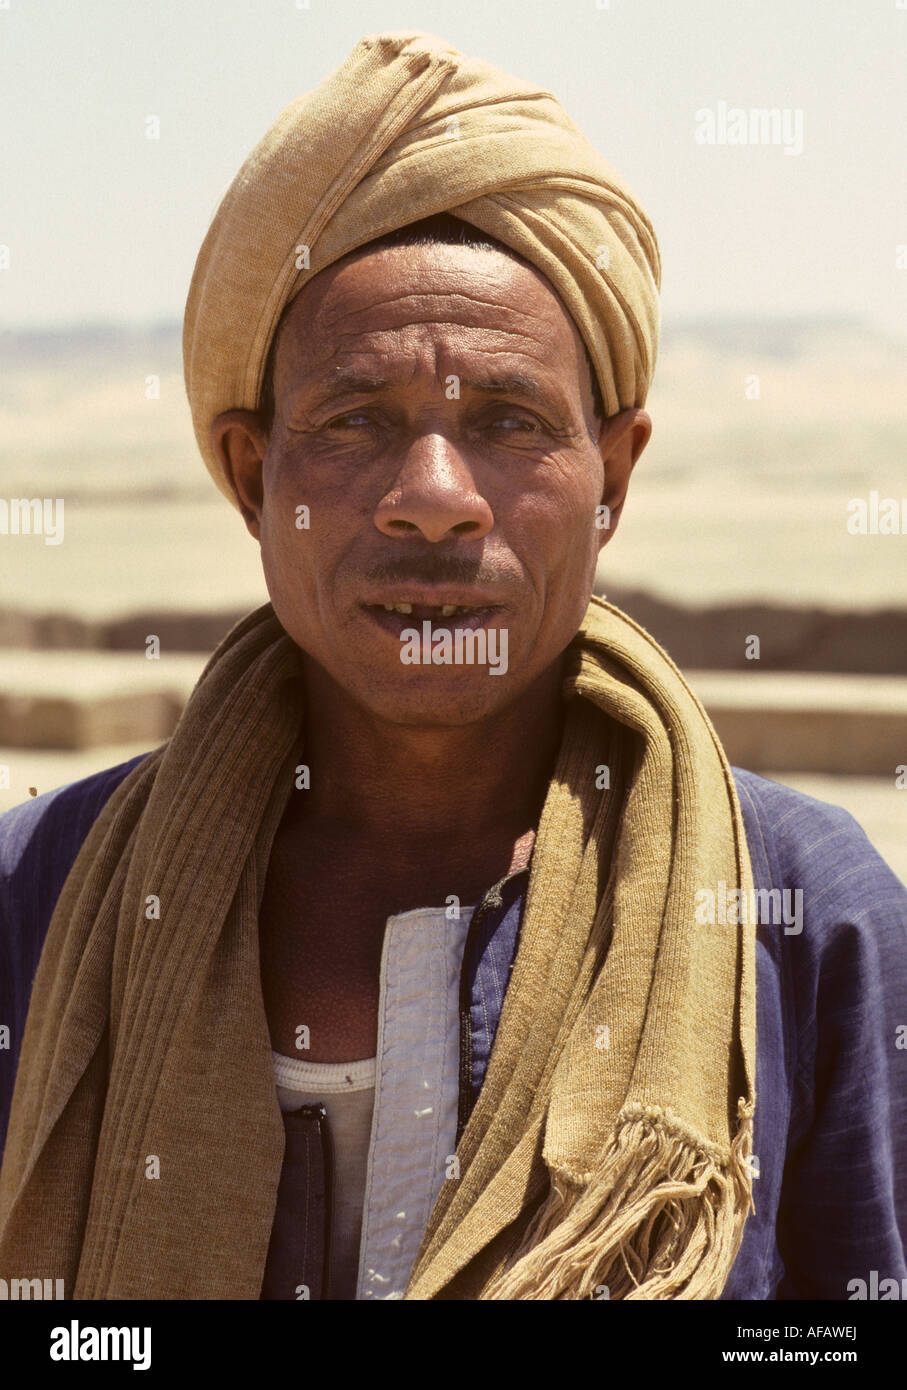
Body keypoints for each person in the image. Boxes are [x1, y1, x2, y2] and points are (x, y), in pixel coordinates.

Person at [0, 31, 904, 1302]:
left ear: (615, 477)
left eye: (509, 424)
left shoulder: (808, 914)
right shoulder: (45, 892)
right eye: (358, 420)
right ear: (257, 480)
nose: (434, 499)